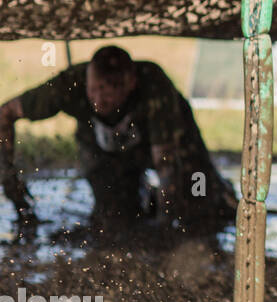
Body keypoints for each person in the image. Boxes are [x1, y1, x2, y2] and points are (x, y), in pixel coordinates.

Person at [0, 45, 236, 233]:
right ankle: (142, 199)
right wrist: (12, 185)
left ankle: (218, 193)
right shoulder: (69, 85)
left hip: (172, 139)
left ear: (131, 83)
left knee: (201, 200)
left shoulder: (154, 86)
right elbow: (6, 113)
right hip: (104, 148)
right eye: (94, 91)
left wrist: (167, 227)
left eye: (109, 91)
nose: (99, 99)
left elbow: (166, 164)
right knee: (115, 219)